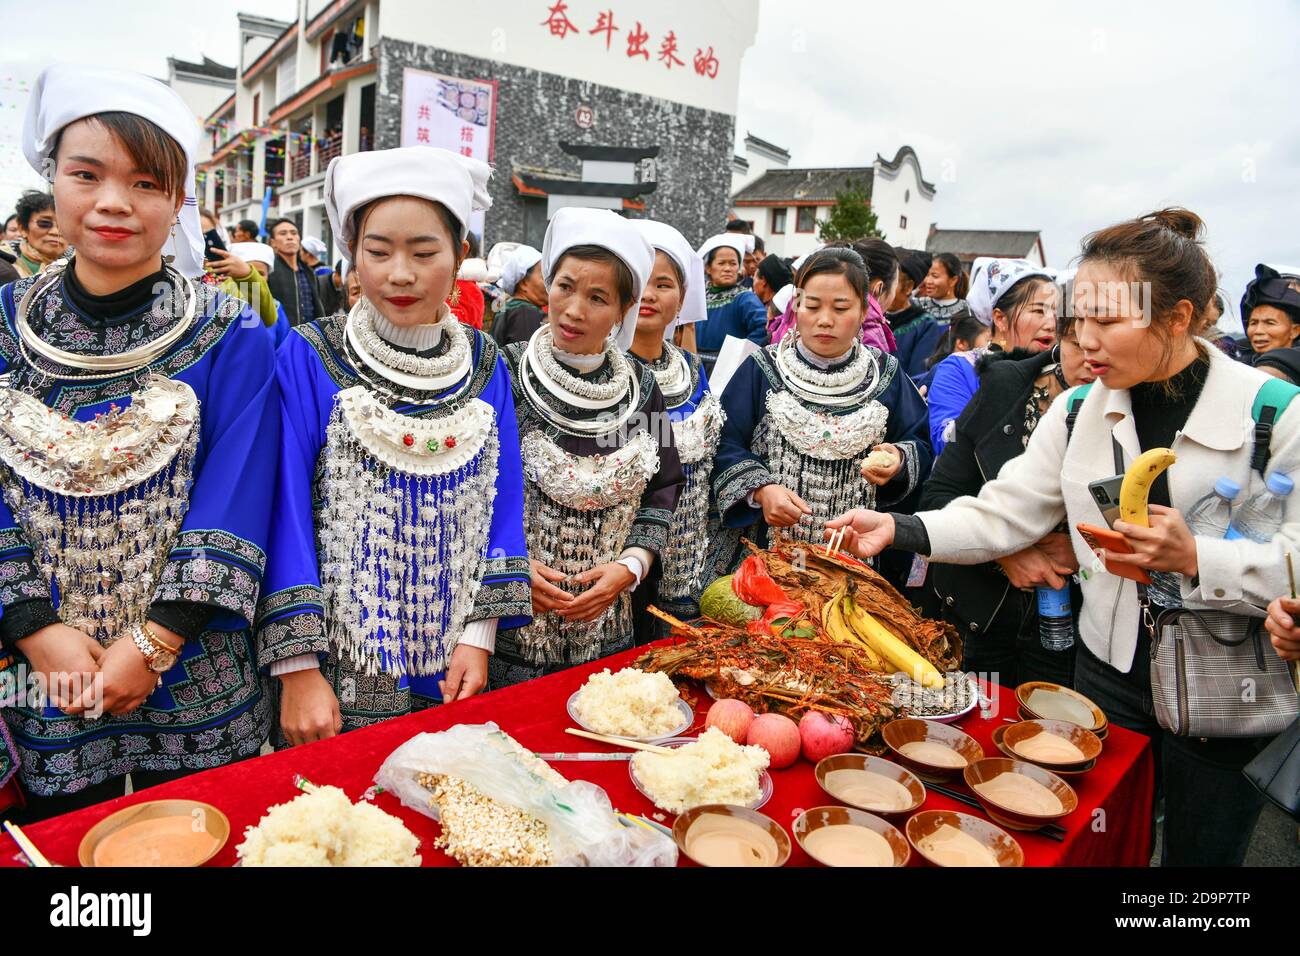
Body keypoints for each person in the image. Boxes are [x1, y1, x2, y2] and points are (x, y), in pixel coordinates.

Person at [829, 208, 1297, 867]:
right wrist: (901, 527)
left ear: (1179, 317)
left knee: (1202, 856)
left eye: (1108, 320)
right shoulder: (1081, 409)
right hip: (1105, 672)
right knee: (1098, 838)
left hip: (1223, 683)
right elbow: (1005, 512)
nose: (1086, 341)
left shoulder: (1274, 416)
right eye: (1080, 321)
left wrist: (1198, 557)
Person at [0, 64, 279, 820]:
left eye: (148, 184)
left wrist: (155, 643)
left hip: (195, 663)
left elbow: (240, 491)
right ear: (51, 180)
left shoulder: (233, 332)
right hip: (40, 665)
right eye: (87, 174)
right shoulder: (3, 324)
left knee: (201, 832)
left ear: (180, 200)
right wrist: (34, 629)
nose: (115, 203)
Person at [258, 147, 531, 747]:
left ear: (460, 255)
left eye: (424, 252)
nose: (399, 273)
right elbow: (284, 512)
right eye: (377, 252)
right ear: (353, 255)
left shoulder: (486, 366)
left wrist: (479, 636)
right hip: (340, 657)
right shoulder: (308, 357)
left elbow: (503, 506)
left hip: (453, 653)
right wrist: (298, 670)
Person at [496, 208, 685, 688]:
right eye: (564, 286)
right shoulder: (504, 373)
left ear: (623, 310)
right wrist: (507, 566)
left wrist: (630, 567)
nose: (574, 309)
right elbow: (472, 491)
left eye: (597, 297)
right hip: (508, 632)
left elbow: (666, 482)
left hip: (607, 633)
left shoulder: (644, 390)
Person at [708, 246, 931, 574]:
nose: (825, 320)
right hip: (767, 556)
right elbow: (723, 443)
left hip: (854, 557)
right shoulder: (762, 369)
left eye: (841, 307)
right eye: (812, 306)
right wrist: (761, 490)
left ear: (863, 310)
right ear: (796, 305)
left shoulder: (886, 375)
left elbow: (920, 443)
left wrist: (898, 460)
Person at [920, 311, 1095, 687]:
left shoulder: (1127, 408)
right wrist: (1007, 553)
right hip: (978, 615)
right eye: (1078, 343)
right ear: (1059, 337)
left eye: (1104, 343)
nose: (1090, 359)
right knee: (972, 727)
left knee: (1053, 736)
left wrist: (1084, 551)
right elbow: (939, 494)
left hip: (1074, 629)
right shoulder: (1005, 388)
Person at [629, 219, 721, 624]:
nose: (648, 295)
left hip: (685, 550)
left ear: (683, 299)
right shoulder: (601, 371)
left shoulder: (692, 369)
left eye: (663, 285)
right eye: (639, 281)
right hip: (621, 552)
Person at [927, 257, 1057, 457]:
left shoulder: (1061, 371)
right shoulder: (960, 368)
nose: (1051, 323)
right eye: (1038, 311)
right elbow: (944, 440)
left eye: (1056, 312)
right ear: (1000, 318)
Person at [695, 232, 767, 372]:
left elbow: (761, 329)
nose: (727, 268)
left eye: (733, 263)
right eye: (721, 263)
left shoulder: (745, 298)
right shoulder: (699, 296)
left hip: (727, 370)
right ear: (708, 267)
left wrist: (740, 358)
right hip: (696, 365)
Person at [886, 249, 947, 379]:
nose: (883, 287)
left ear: (908, 287)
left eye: (891, 282)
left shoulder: (925, 325)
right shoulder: (869, 317)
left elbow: (917, 375)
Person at [265, 217, 323, 326]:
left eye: (294, 233)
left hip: (309, 337)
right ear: (273, 242)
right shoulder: (269, 270)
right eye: (283, 233)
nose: (290, 237)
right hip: (282, 338)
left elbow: (317, 307)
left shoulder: (308, 272)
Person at [491, 244, 547, 347]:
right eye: (544, 276)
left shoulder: (510, 308)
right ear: (524, 282)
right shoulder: (526, 312)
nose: (549, 283)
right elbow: (524, 358)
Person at [1242, 263, 1300, 356]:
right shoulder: (1235, 360)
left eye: (1270, 323)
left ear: (1295, 330)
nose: (1258, 331)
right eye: (1253, 323)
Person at [6, 190, 67, 277]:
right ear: (23, 228)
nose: (55, 232)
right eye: (44, 223)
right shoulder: (5, 261)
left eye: (64, 225)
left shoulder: (82, 265)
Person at [915, 252, 973, 323]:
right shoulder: (917, 305)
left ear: (953, 280)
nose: (928, 281)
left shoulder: (965, 310)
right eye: (927, 275)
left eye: (935, 276)